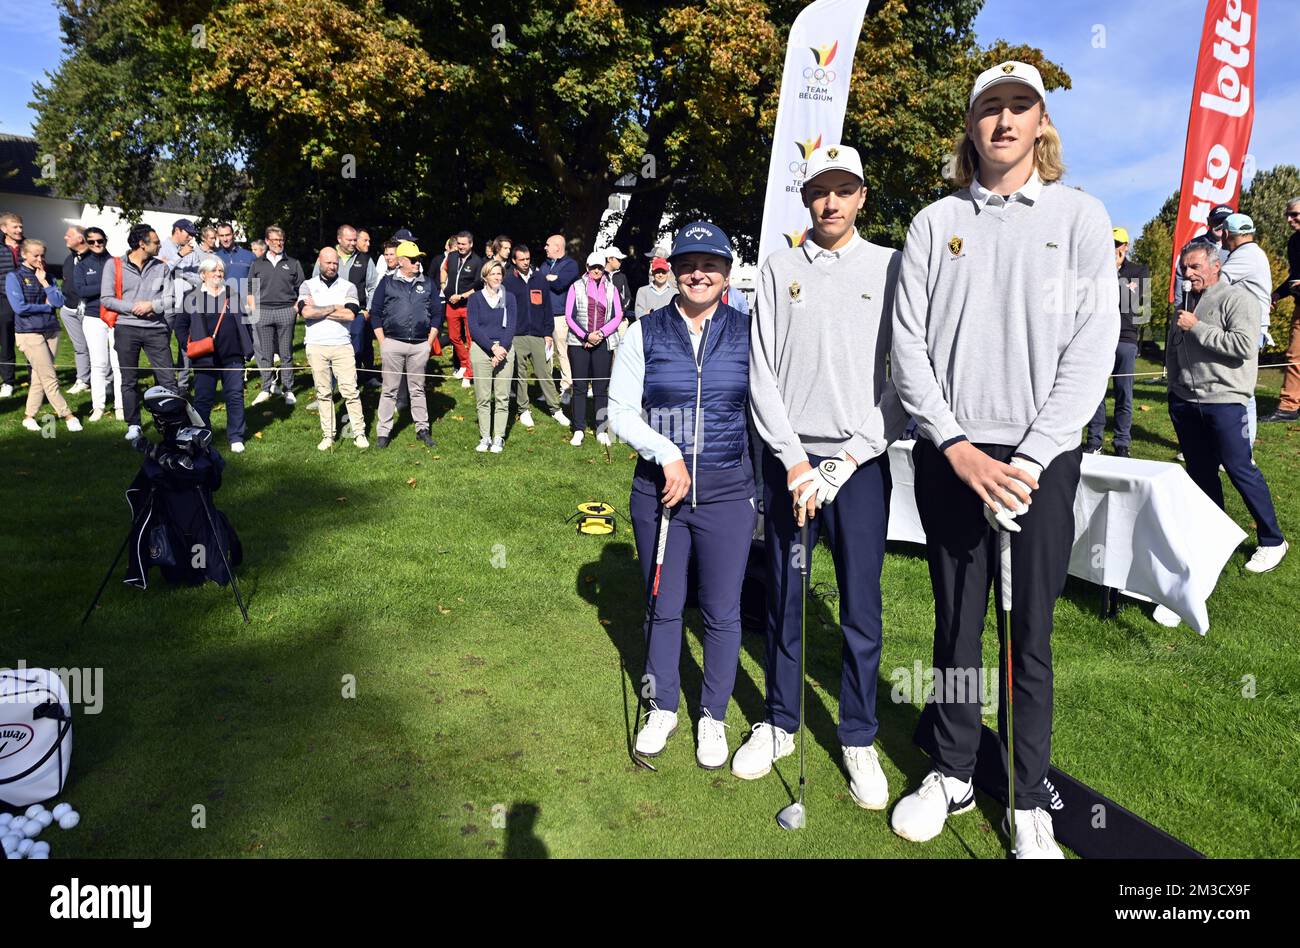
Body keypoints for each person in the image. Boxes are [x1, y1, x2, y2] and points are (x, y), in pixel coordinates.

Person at [889, 62, 1118, 858]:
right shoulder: (930, 223)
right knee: (956, 626)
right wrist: (954, 445)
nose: (1005, 120)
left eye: (1021, 107)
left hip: (1039, 461)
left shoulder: (1081, 216)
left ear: (1041, 125)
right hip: (952, 456)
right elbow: (906, 347)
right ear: (971, 125)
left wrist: (1030, 456)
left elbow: (1094, 349)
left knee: (1029, 633)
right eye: (990, 107)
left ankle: (1026, 799)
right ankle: (952, 770)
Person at [734, 143, 905, 811]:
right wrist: (798, 461)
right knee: (785, 595)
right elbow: (762, 375)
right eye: (818, 191)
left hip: (859, 467)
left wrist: (847, 458)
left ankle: (857, 734)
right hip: (791, 464)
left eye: (843, 189)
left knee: (861, 608)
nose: (829, 202)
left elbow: (904, 378)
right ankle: (779, 721)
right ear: (807, 200)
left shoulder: (891, 268)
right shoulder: (779, 268)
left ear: (862, 196)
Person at [606, 220, 755, 769]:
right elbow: (620, 411)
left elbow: (764, 412)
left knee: (721, 610)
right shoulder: (645, 331)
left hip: (726, 494)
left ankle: (712, 715)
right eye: (689, 263)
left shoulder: (748, 332)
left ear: (727, 273)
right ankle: (663, 705)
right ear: (673, 271)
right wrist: (666, 452)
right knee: (664, 607)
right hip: (658, 495)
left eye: (710, 264)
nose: (698, 273)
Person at [1168, 243, 1287, 572]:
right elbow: (1174, 350)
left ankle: (1273, 540)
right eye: (1184, 268)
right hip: (1185, 402)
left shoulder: (1238, 299)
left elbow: (1244, 347)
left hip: (1224, 401)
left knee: (1239, 469)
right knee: (1200, 472)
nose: (1187, 274)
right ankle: (1213, 534)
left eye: (1194, 267)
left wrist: (1198, 327)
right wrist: (1174, 389)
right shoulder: (1183, 304)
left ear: (1215, 266)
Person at [101, 223, 178, 443]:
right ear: (141, 244)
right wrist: (135, 307)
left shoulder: (162, 268)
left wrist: (151, 305)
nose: (160, 245)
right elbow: (106, 299)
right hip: (126, 328)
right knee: (129, 379)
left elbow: (171, 298)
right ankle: (133, 424)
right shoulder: (113, 265)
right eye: (155, 242)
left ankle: (170, 422)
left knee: (167, 379)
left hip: (156, 330)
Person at [5, 239, 82, 433]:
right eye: (36, 255)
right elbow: (19, 307)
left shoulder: (47, 275)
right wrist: (45, 306)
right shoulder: (14, 276)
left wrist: (44, 283)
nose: (40, 259)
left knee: (40, 377)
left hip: (51, 330)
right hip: (28, 332)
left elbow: (57, 302)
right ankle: (68, 415)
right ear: (24, 255)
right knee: (49, 377)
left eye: (42, 255)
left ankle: (29, 417)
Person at [370, 240, 440, 449]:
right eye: (413, 259)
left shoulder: (427, 283)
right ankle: (383, 432)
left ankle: (422, 429)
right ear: (401, 262)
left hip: (419, 345)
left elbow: (437, 314)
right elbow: (375, 313)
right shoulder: (387, 282)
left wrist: (429, 342)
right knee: (389, 389)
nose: (418, 263)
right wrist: (383, 343)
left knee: (417, 389)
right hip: (393, 343)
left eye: (419, 259)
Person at [1086, 227, 1149, 457]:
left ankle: (1122, 442)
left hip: (1125, 338)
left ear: (1126, 246)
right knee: (1096, 392)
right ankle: (1094, 441)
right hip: (1100, 336)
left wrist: (1115, 276)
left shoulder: (1139, 270)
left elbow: (1131, 301)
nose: (1113, 249)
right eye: (1109, 243)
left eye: (1117, 244)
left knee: (1124, 392)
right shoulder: (1096, 269)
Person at [298, 247, 369, 451]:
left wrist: (319, 309)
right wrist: (333, 307)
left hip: (341, 345)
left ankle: (359, 433)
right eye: (328, 263)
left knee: (350, 391)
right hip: (316, 345)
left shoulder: (349, 287)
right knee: (323, 392)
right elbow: (305, 313)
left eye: (335, 263)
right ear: (319, 262)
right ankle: (328, 435)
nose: (332, 266)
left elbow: (350, 315)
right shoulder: (307, 285)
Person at [177, 257, 247, 453]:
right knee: (203, 399)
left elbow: (244, 322)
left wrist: (246, 345)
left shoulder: (232, 294)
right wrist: (189, 345)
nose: (218, 274)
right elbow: (180, 326)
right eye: (213, 271)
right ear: (203, 275)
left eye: (220, 271)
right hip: (204, 357)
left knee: (234, 396)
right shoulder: (191, 297)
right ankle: (202, 435)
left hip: (232, 356)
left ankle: (236, 436)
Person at [1220, 213, 1273, 446]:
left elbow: (1218, 282)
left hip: (1246, 331)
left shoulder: (1246, 255)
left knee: (1239, 392)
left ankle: (1240, 451)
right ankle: (1235, 449)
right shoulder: (1251, 253)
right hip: (1248, 328)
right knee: (1240, 390)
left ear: (1226, 233)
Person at [504, 243, 568, 429]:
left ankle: (555, 409)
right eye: (521, 259)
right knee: (520, 374)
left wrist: (548, 333)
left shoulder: (540, 278)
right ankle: (523, 409)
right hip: (517, 335)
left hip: (540, 334)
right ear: (514, 261)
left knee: (545, 373)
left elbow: (547, 307)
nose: (525, 262)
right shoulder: (508, 282)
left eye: (528, 259)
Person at [564, 250, 625, 446]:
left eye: (599, 267)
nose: (596, 270)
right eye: (593, 267)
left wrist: (600, 334)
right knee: (580, 387)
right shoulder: (575, 286)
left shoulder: (612, 288)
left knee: (601, 388)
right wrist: (585, 335)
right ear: (587, 268)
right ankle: (579, 429)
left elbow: (617, 315)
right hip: (578, 342)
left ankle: (601, 429)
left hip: (603, 342)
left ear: (603, 268)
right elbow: (569, 316)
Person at [312, 225, 380, 394]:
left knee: (354, 352)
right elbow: (314, 283)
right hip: (329, 314)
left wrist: (368, 310)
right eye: (349, 240)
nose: (353, 243)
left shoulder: (365, 259)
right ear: (339, 239)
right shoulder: (327, 257)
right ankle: (327, 390)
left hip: (356, 315)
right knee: (328, 351)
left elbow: (373, 287)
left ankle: (350, 388)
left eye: (354, 239)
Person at [247, 226, 304, 406]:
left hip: (285, 311)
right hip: (262, 311)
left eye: (281, 240)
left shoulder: (293, 263)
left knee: (286, 353)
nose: (278, 243)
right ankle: (267, 387)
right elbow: (250, 289)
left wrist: (295, 308)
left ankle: (288, 389)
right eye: (274, 240)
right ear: (267, 241)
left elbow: (302, 288)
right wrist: (254, 310)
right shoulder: (257, 264)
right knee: (265, 353)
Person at [468, 259, 518, 452]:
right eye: (493, 274)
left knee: (502, 397)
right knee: (482, 397)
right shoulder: (475, 299)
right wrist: (492, 348)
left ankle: (498, 437)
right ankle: (485, 437)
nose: (497, 277)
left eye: (500, 274)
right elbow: (474, 327)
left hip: (505, 349)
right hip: (482, 350)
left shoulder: (509, 297)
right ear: (485, 276)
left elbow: (511, 325)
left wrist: (501, 348)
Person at [76, 226, 123, 422]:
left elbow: (121, 286)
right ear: (86, 243)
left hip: (116, 316)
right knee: (98, 365)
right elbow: (81, 290)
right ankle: (98, 407)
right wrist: (106, 286)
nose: (96, 244)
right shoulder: (82, 265)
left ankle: (121, 405)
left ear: (105, 240)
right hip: (94, 317)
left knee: (119, 363)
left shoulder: (117, 263)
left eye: (100, 241)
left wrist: (104, 287)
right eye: (92, 241)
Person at [1264, 197, 1300, 423]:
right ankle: (1289, 405)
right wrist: (1277, 293)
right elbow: (1294, 276)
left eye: (1294, 214)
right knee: (1295, 356)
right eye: (1288, 215)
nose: (1289, 219)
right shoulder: (1294, 242)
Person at [542, 233, 582, 403]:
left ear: (557, 247)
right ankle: (547, 390)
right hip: (544, 316)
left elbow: (559, 285)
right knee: (545, 354)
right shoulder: (544, 265)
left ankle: (567, 388)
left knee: (563, 353)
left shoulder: (570, 265)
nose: (545, 248)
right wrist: (548, 278)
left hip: (561, 317)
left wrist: (549, 280)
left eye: (547, 245)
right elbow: (538, 282)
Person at [213, 222, 257, 364]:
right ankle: (236, 376)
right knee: (231, 343)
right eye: (222, 236)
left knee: (251, 342)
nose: (225, 239)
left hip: (247, 305)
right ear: (218, 237)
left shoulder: (249, 256)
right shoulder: (214, 257)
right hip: (224, 307)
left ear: (234, 235)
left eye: (228, 235)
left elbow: (256, 281)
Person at [444, 230, 483, 388]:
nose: (460, 246)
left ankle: (469, 374)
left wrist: (462, 296)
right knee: (454, 338)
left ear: (471, 244)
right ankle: (466, 364)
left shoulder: (477, 261)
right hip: (451, 303)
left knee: (470, 339)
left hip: (468, 304)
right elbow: (443, 269)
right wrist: (443, 285)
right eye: (458, 243)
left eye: (463, 244)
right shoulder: (452, 256)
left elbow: (478, 286)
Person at [58, 223, 93, 395]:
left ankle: (105, 380)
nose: (65, 237)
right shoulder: (68, 258)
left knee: (96, 347)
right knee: (80, 347)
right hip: (69, 310)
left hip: (90, 310)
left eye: (68, 235)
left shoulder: (94, 259)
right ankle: (83, 379)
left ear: (80, 238)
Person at [0, 211, 26, 398]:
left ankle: (37, 378)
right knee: (6, 341)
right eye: (15, 226)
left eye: (20, 226)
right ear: (4, 228)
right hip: (4, 301)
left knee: (31, 341)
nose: (19, 230)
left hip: (28, 301)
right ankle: (8, 381)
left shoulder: (28, 246)